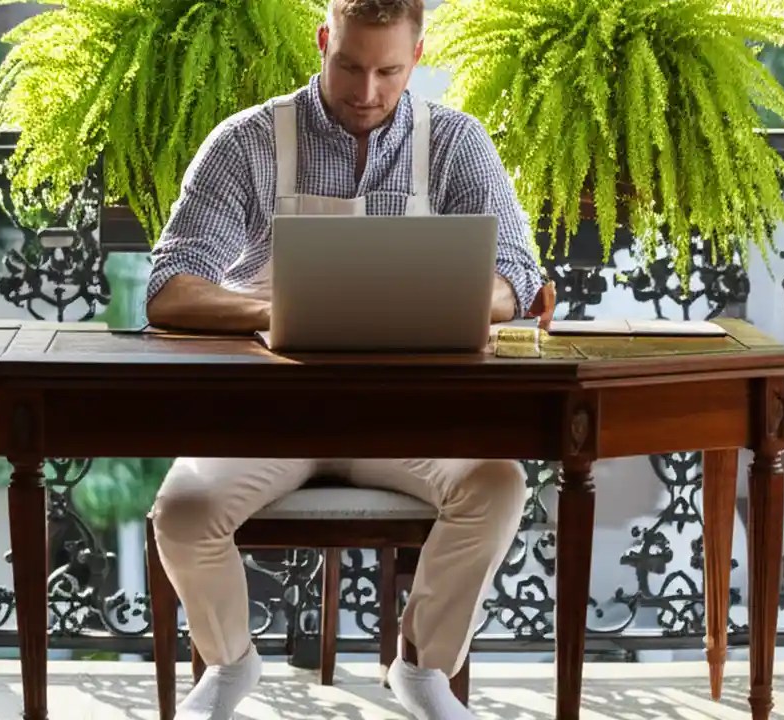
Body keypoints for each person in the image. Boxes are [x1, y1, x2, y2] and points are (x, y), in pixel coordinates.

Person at [144, 1, 551, 718]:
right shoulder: (246, 143)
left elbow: (517, 275)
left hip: (408, 420)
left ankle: (421, 670)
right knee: (183, 511)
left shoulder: (458, 142)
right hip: (270, 416)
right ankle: (232, 664)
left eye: (389, 71)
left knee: (498, 485)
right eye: (352, 66)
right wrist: (283, 312)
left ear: (417, 57)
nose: (368, 91)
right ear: (324, 41)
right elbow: (170, 287)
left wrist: (443, 299)